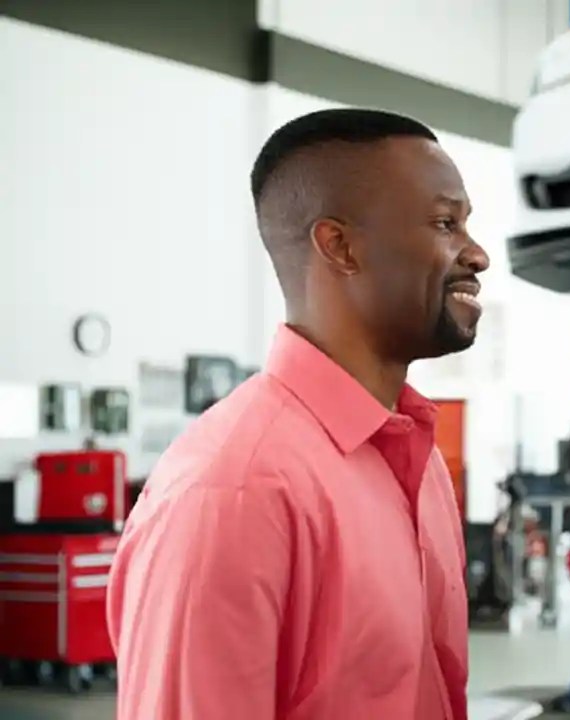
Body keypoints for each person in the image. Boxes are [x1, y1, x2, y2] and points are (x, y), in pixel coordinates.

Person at [106, 108, 490, 720]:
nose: (478, 255)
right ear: (339, 245)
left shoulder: (415, 461)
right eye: (446, 223)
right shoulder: (235, 491)